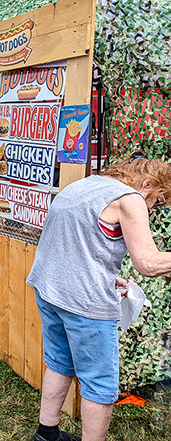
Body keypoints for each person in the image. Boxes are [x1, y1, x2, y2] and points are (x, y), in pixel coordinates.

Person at [26, 154, 171, 441]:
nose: (154, 208)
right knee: (99, 384)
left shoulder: (86, 184)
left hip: (49, 289)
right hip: (84, 303)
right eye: (159, 199)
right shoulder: (130, 198)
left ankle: (46, 434)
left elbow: (74, 241)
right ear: (147, 182)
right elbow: (148, 263)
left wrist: (105, 274)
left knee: (58, 362)